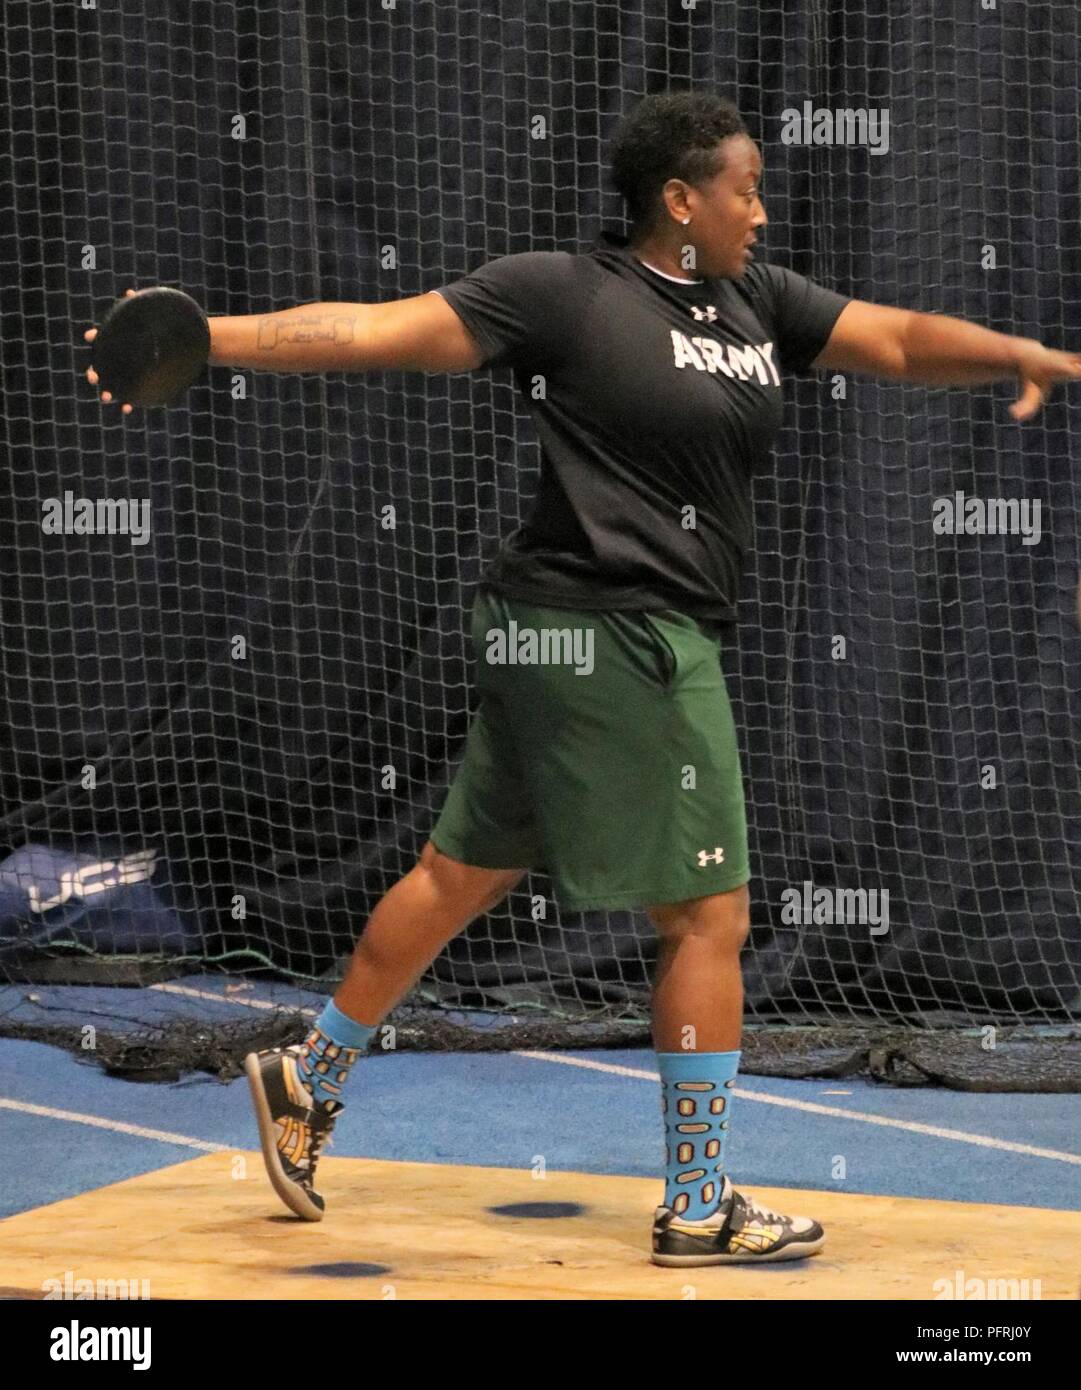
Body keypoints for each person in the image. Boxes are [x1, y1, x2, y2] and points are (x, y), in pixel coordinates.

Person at [85, 91, 1081, 1266]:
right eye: (744, 188)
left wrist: (1014, 352)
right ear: (678, 199)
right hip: (618, 631)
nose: (760, 210)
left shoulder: (755, 301)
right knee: (709, 911)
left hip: (555, 636)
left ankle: (306, 1076)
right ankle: (700, 1202)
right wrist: (209, 338)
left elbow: (900, 339)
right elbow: (371, 329)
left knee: (460, 872)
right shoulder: (562, 293)